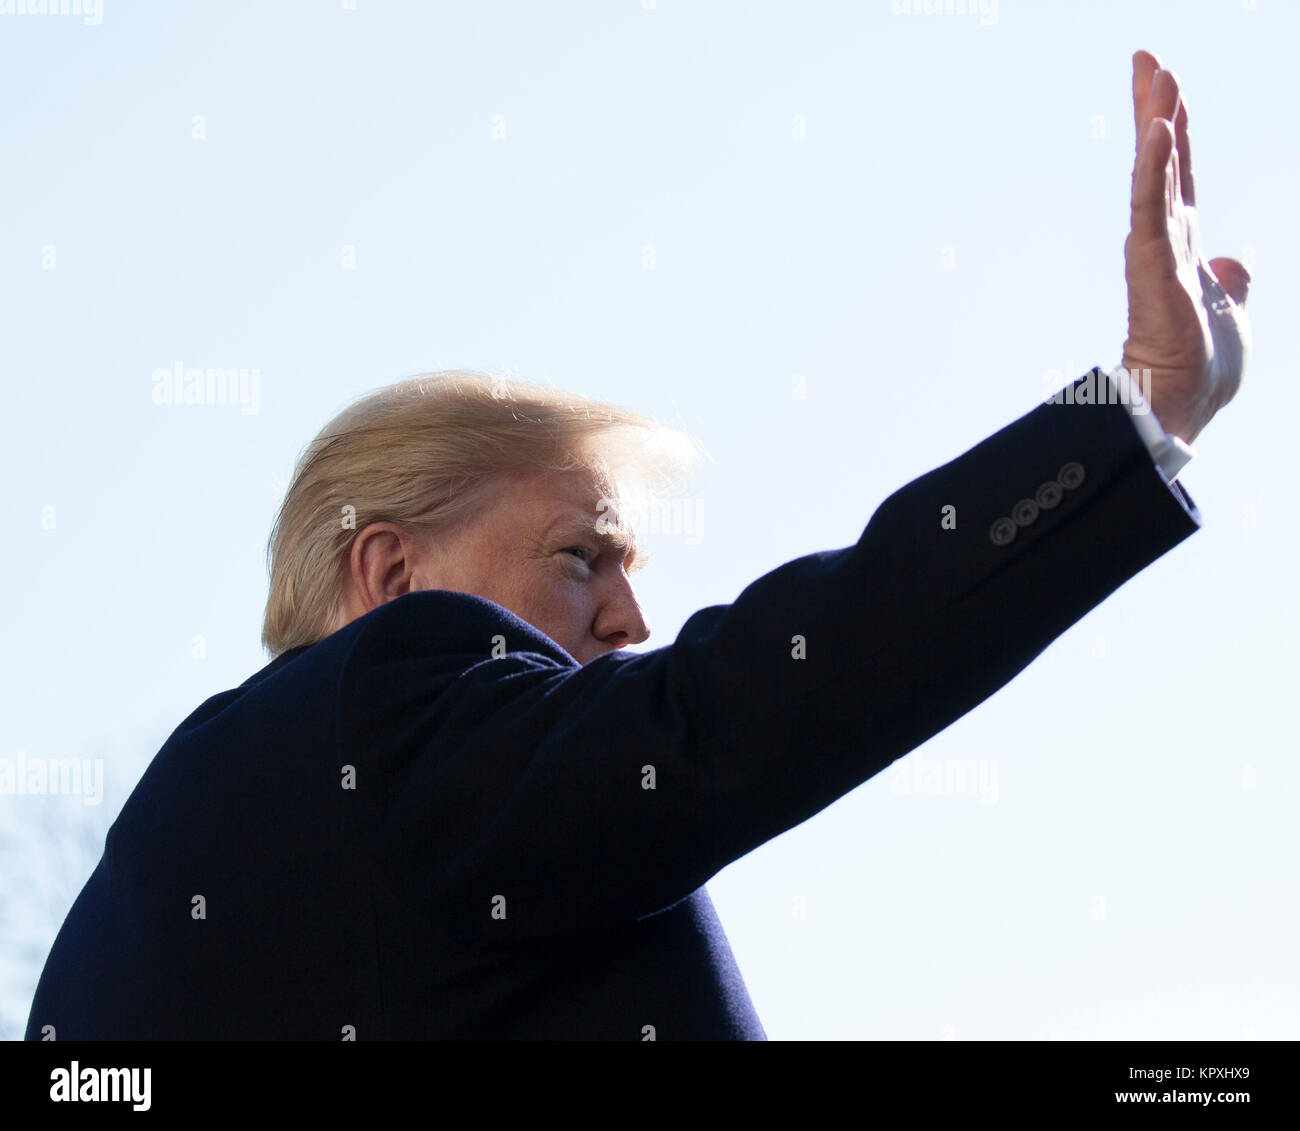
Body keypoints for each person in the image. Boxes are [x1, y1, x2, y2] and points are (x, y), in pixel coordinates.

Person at [24, 50, 1250, 1040]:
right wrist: (1138, 412)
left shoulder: (137, 903)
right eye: (580, 557)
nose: (630, 621)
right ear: (391, 574)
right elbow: (741, 705)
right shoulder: (389, 713)